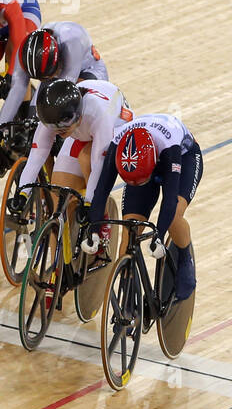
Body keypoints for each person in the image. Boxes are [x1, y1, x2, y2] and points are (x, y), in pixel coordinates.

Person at [79, 112, 201, 301]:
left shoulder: (171, 148)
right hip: (141, 168)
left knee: (174, 215)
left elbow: (169, 201)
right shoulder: (116, 144)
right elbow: (101, 190)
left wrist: (158, 237)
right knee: (130, 230)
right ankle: (126, 297)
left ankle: (185, 259)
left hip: (185, 159)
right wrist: (93, 229)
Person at [9, 77, 132, 220]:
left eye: (63, 127)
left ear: (78, 117)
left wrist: (90, 203)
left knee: (86, 159)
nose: (59, 131)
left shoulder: (98, 115)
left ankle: (102, 220)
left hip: (117, 126)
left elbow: (99, 166)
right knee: (57, 195)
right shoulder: (51, 116)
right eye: (54, 128)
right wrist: (22, 193)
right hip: (83, 131)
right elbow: (36, 156)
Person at [0, 21, 107, 148]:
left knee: (73, 113)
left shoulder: (71, 42)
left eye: (47, 76)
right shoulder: (26, 51)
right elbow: (17, 90)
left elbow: (65, 88)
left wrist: (39, 118)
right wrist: (0, 129)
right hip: (57, 74)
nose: (45, 79)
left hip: (87, 70)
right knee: (38, 131)